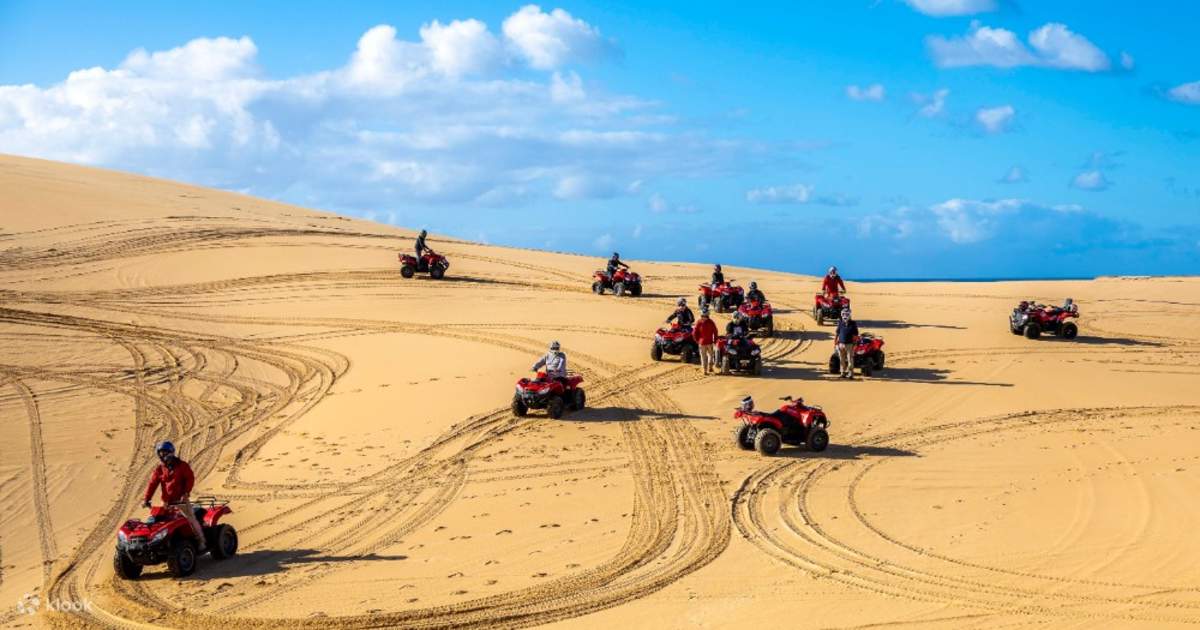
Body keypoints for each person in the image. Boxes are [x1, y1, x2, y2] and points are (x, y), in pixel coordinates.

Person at [142, 441, 205, 551]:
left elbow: (190, 479)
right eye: (160, 453)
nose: (162, 455)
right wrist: (147, 499)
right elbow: (152, 484)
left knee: (190, 518)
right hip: (166, 502)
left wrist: (185, 493)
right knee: (158, 522)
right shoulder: (160, 469)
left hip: (181, 500)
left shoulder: (182, 466)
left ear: (170, 452)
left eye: (164, 452)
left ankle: (201, 541)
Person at [692, 306, 719, 375]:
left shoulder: (699, 322)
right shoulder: (711, 322)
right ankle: (710, 367)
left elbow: (694, 333)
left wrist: (697, 340)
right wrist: (715, 340)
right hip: (709, 342)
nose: (704, 317)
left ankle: (704, 370)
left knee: (703, 357)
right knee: (710, 355)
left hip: (702, 342)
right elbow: (715, 332)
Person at [835, 308, 860, 379]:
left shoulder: (853, 323)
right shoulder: (840, 323)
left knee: (850, 359)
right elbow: (837, 333)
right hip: (841, 344)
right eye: (843, 314)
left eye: (846, 314)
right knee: (842, 359)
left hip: (850, 345)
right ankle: (842, 372)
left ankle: (850, 373)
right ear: (841, 315)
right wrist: (835, 342)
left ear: (849, 315)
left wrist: (855, 344)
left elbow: (856, 335)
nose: (845, 316)